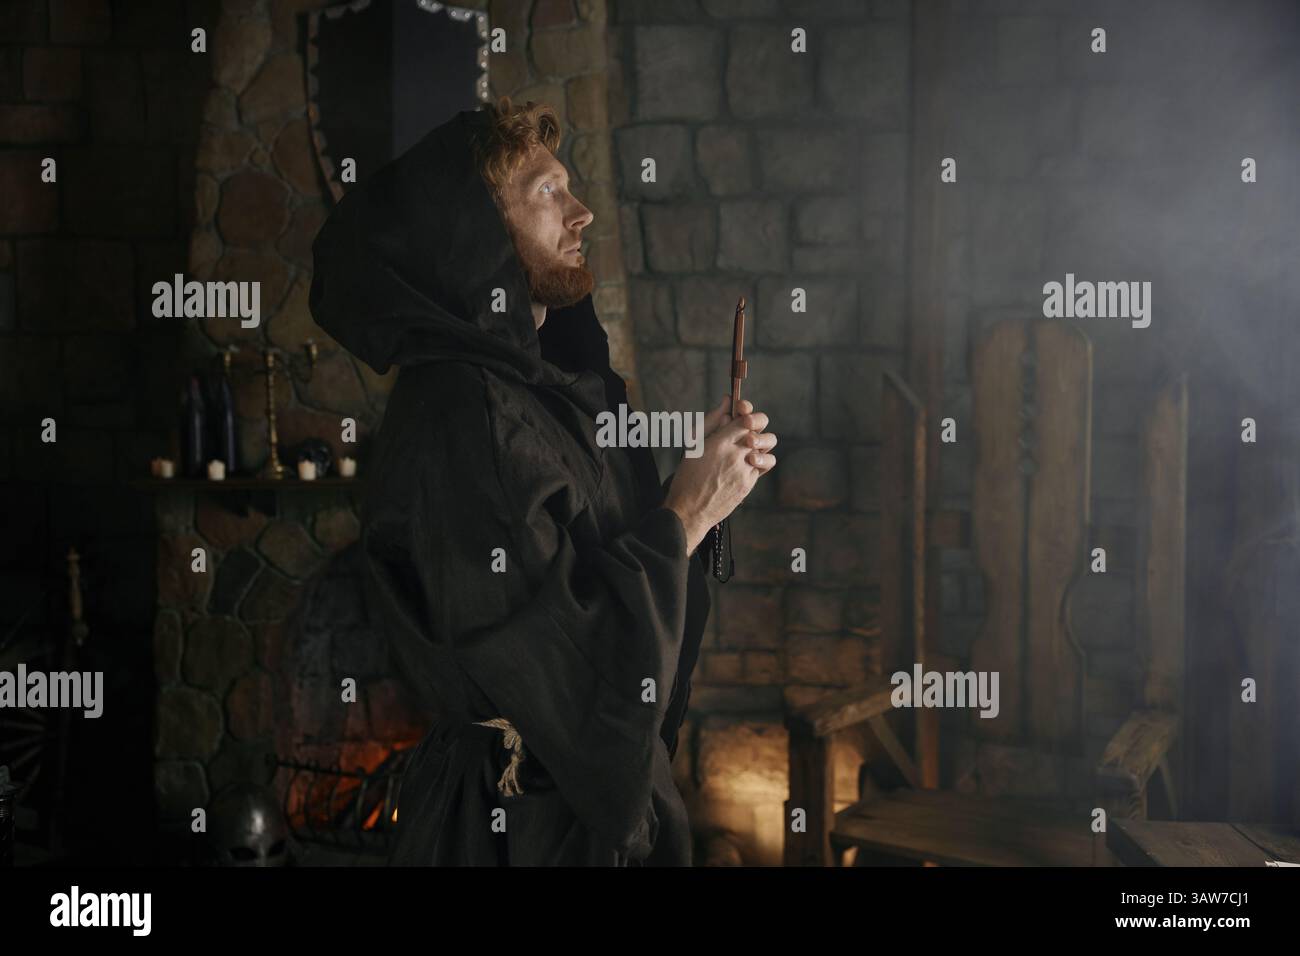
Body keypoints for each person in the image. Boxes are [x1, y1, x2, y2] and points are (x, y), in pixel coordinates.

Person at [308, 97, 777, 865]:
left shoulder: (544, 394)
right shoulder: (468, 416)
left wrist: (707, 486)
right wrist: (686, 516)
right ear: (474, 237)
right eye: (548, 192)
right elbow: (567, 667)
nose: (582, 212)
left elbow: (603, 565)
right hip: (514, 830)